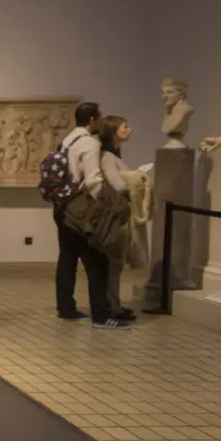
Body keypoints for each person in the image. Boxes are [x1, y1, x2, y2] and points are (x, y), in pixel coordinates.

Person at [55, 102, 129, 328]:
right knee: (97, 260)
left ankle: (66, 307)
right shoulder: (89, 143)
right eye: (99, 117)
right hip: (81, 209)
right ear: (91, 120)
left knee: (67, 259)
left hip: (62, 206)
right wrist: (105, 205)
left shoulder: (67, 140)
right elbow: (93, 180)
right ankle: (102, 314)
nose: (100, 121)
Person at [97, 115, 138, 321]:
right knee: (113, 261)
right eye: (125, 126)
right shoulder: (107, 157)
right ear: (114, 131)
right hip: (114, 214)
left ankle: (114, 303)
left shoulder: (112, 156)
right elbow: (118, 183)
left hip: (118, 212)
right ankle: (112, 306)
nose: (129, 130)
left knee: (116, 262)